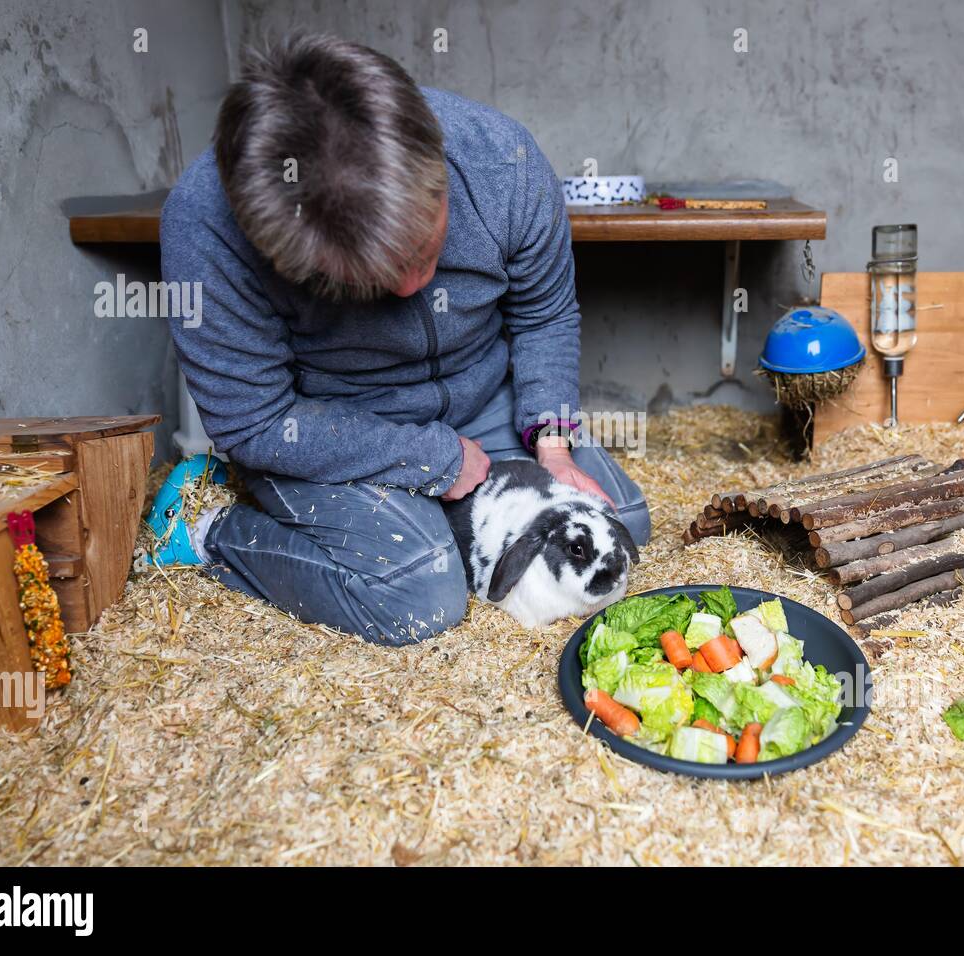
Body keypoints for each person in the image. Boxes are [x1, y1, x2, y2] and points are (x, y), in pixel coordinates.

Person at [147, 33, 650, 644]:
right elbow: (254, 422)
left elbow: (543, 312)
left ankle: (441, 526)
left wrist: (553, 446)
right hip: (330, 425)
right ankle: (209, 528)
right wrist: (428, 461)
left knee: (622, 524)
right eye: (368, 279)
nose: (413, 286)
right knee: (421, 594)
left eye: (424, 248)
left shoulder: (501, 159)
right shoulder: (204, 225)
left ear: (438, 164)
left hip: (482, 399)